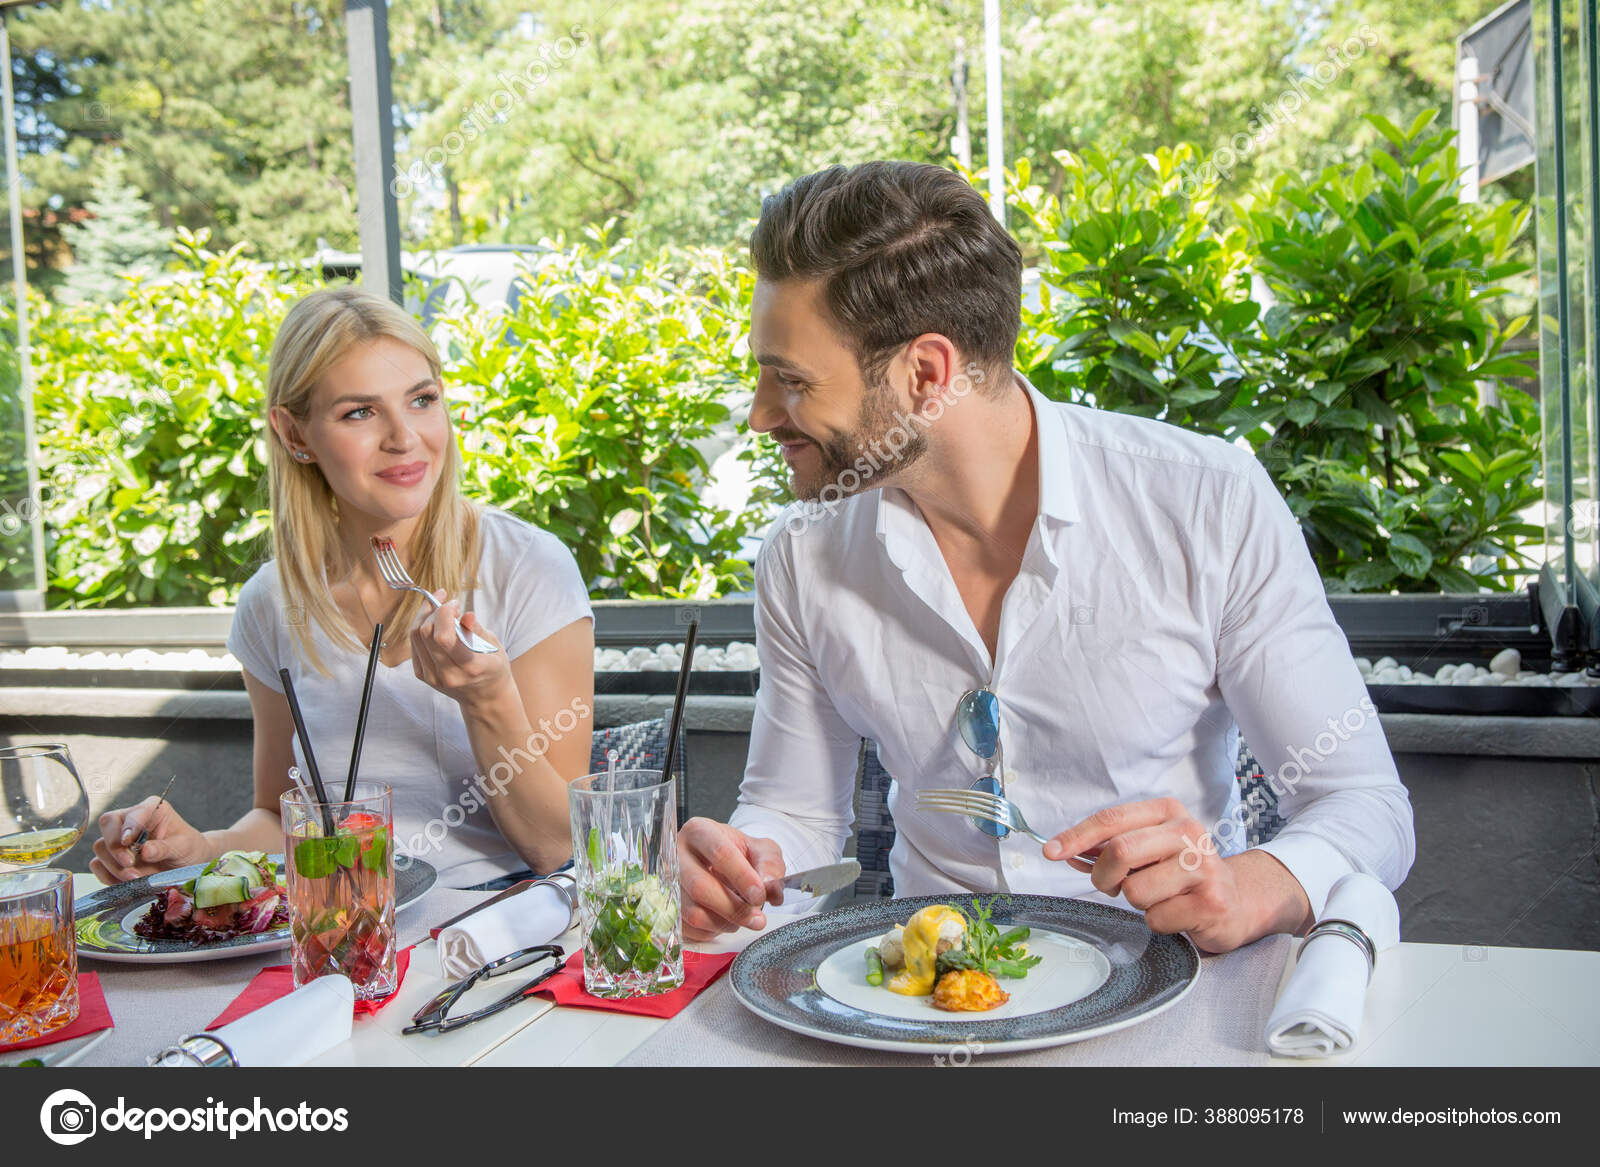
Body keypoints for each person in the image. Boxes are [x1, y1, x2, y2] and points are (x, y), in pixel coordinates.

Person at [677, 161, 1414, 953]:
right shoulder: (802, 556)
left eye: (789, 380)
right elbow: (794, 812)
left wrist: (1249, 887)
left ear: (927, 374)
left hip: (1173, 984)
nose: (759, 415)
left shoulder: (1208, 500)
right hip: (924, 1003)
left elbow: (1364, 801)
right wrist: (745, 868)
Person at [91, 286, 595, 890]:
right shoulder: (269, 605)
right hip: (336, 926)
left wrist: (487, 701)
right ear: (294, 434)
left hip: (492, 927)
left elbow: (559, 846)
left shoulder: (528, 568)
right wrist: (204, 848)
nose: (404, 438)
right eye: (359, 412)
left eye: (422, 400)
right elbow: (281, 817)